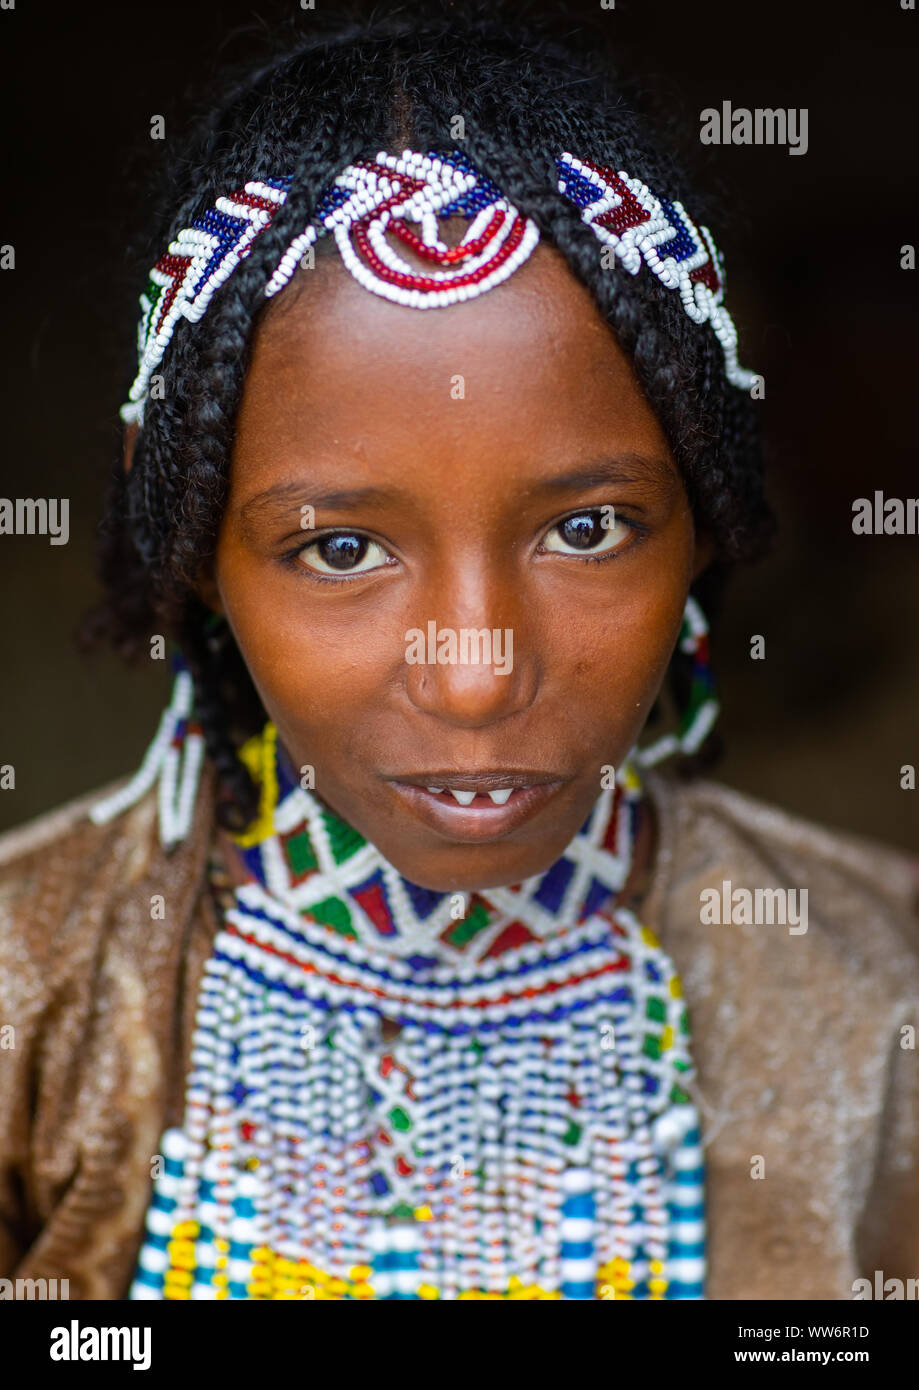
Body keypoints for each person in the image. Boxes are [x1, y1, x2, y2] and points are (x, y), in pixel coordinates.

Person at [1, 12, 917, 1302]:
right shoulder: (22, 1001)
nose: (477, 672)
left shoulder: (882, 1003)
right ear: (196, 551)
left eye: (587, 530)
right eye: (339, 550)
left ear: (704, 525)